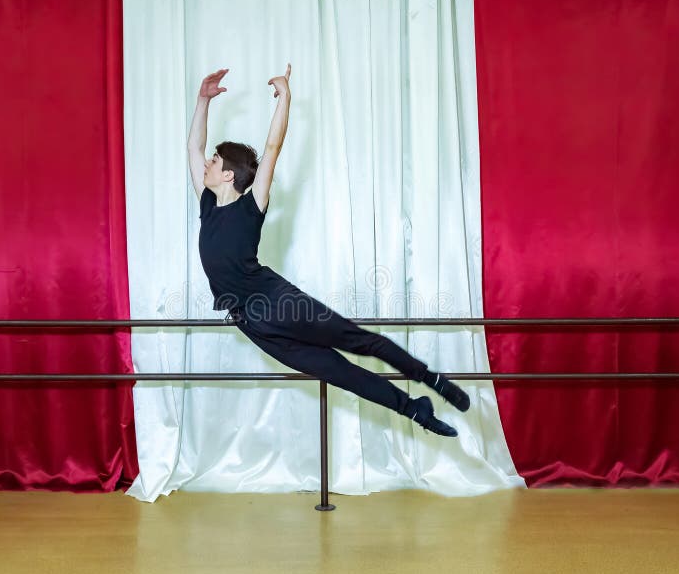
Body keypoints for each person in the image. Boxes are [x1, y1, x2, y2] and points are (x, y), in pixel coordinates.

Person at [186, 65, 470, 437]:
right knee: (341, 374)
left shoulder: (250, 206)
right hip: (251, 323)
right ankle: (416, 410)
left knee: (359, 341)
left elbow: (272, 148)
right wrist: (203, 100)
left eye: (214, 160)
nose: (206, 162)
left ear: (228, 175)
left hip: (279, 303)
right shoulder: (208, 206)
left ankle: (431, 379)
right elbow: (193, 148)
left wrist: (285, 98)